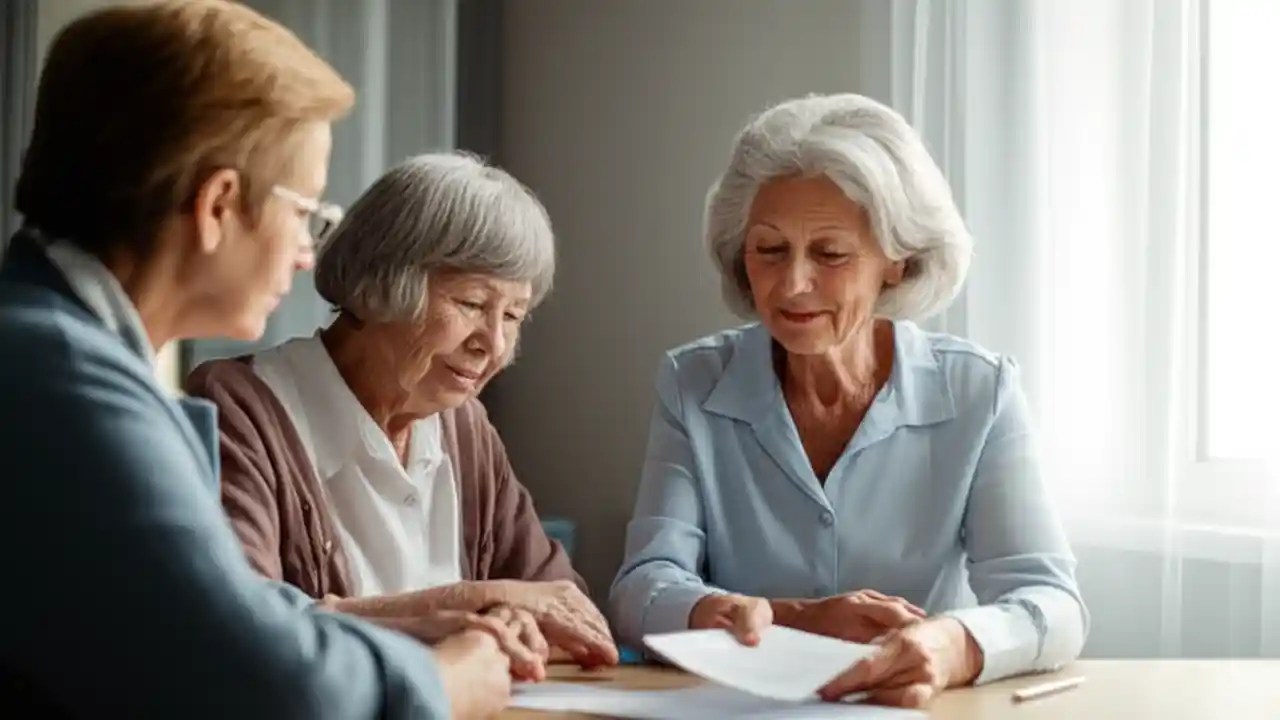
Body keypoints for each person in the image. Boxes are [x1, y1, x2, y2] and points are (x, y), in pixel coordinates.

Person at [0, 2, 538, 717]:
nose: (309, 251)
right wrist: (442, 682)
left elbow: (223, 614)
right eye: (303, 211)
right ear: (218, 205)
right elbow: (255, 680)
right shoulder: (64, 380)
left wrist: (400, 629)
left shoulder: (54, 349)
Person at [609, 93, 1088, 708]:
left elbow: (1052, 602)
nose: (792, 284)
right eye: (770, 250)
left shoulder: (979, 391)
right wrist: (793, 618)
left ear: (896, 260)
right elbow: (641, 588)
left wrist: (950, 644)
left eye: (830, 254)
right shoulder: (693, 382)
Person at [186, 152, 618, 669]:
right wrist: (463, 601)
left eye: (514, 315)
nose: (493, 343)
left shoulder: (465, 427)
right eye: (473, 305)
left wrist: (511, 621)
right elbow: (238, 626)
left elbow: (564, 609)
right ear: (384, 284)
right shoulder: (238, 407)